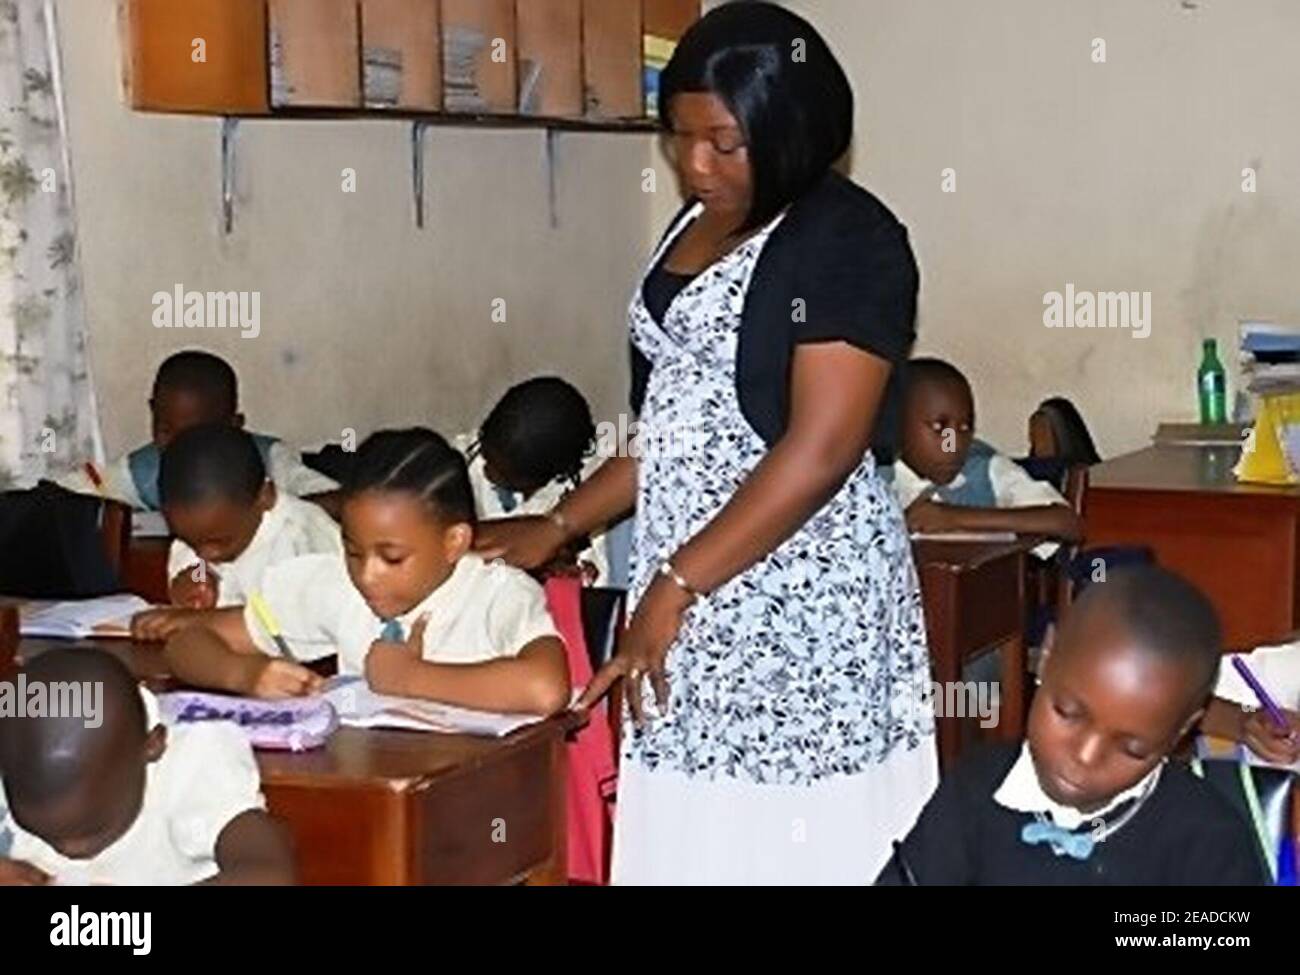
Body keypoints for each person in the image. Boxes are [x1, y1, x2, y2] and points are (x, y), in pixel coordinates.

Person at [475, 2, 936, 883]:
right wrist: (560, 524)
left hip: (799, 598)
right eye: (679, 137)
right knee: (698, 829)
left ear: (791, 130)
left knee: (793, 834)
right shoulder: (691, 227)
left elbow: (822, 448)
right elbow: (678, 430)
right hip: (689, 590)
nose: (695, 165)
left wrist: (678, 583)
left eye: (724, 142)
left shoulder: (850, 239)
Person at [877, 567, 1267, 885]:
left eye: (1131, 749)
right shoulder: (977, 789)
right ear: (1046, 656)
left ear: (1181, 732)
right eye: (1067, 712)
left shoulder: (1206, 837)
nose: (1084, 757)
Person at [163, 428, 570, 716]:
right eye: (354, 552)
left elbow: (545, 687)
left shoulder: (496, 594)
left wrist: (408, 677)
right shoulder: (335, 586)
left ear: (455, 542)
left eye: (392, 558)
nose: (367, 576)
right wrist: (244, 673)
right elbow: (189, 643)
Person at [0, 647, 295, 885]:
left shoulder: (189, 769)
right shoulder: (16, 756)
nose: (68, 850)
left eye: (93, 829)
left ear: (152, 746)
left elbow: (268, 871)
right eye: (43, 833)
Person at [129, 424, 342, 641]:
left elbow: (294, 624)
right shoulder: (209, 532)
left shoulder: (300, 538)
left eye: (219, 542)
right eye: (191, 542)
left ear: (265, 497)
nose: (207, 554)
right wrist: (195, 580)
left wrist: (200, 621)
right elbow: (195, 562)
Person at [57, 350, 337, 512]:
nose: (180, 447)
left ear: (234, 426)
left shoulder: (270, 459)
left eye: (196, 436)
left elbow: (337, 501)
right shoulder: (143, 470)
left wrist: (267, 512)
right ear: (152, 411)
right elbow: (66, 494)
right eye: (165, 429)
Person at [892, 358, 1081, 553]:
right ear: (894, 425)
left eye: (965, 427)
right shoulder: (873, 477)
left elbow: (1067, 524)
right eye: (939, 428)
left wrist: (955, 517)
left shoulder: (985, 469)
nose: (953, 445)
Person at [454, 377, 609, 582]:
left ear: (556, 474)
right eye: (487, 455)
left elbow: (594, 576)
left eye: (505, 476)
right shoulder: (461, 458)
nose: (486, 471)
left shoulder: (596, 490)